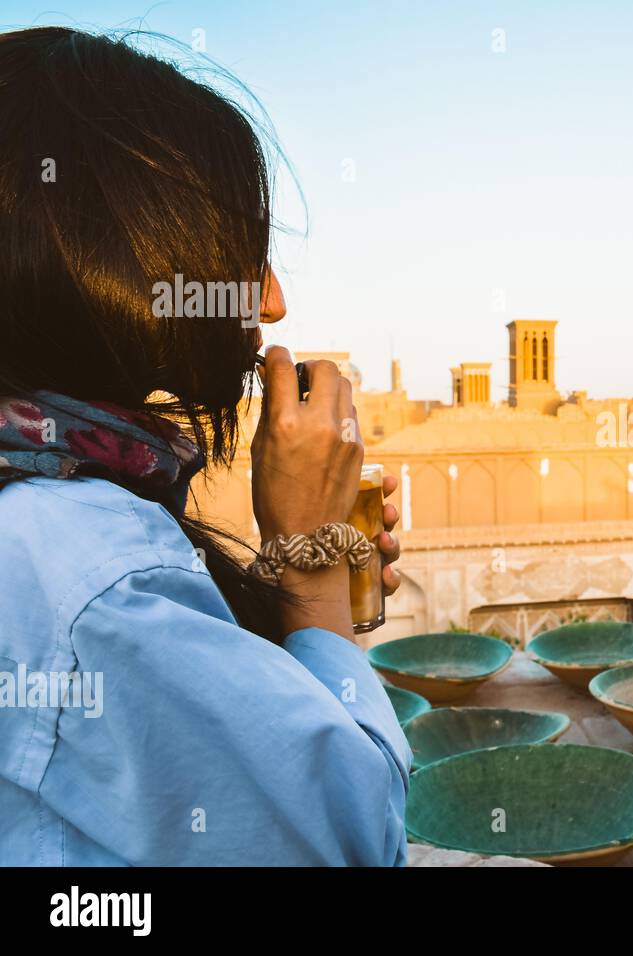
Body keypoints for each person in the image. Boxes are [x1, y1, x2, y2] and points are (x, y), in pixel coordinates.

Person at [0, 26, 411, 865]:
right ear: (120, 256)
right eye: (241, 255)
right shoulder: (81, 568)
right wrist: (311, 571)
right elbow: (351, 841)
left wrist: (283, 595)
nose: (272, 301)